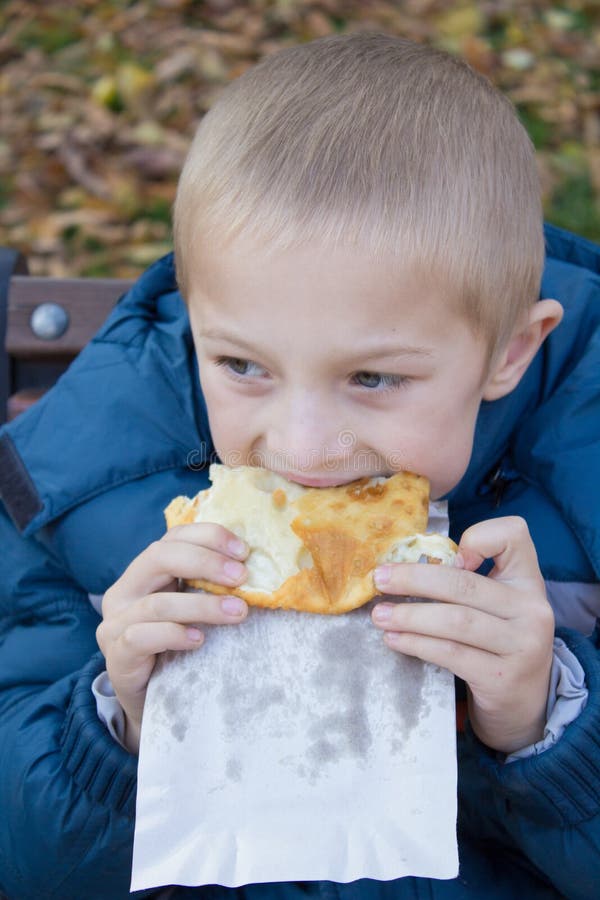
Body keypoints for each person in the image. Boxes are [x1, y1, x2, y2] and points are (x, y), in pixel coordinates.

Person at [0, 31, 598, 900]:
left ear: (508, 352)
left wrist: (548, 723)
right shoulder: (76, 497)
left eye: (372, 378)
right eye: (243, 366)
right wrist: (119, 726)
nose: (303, 449)